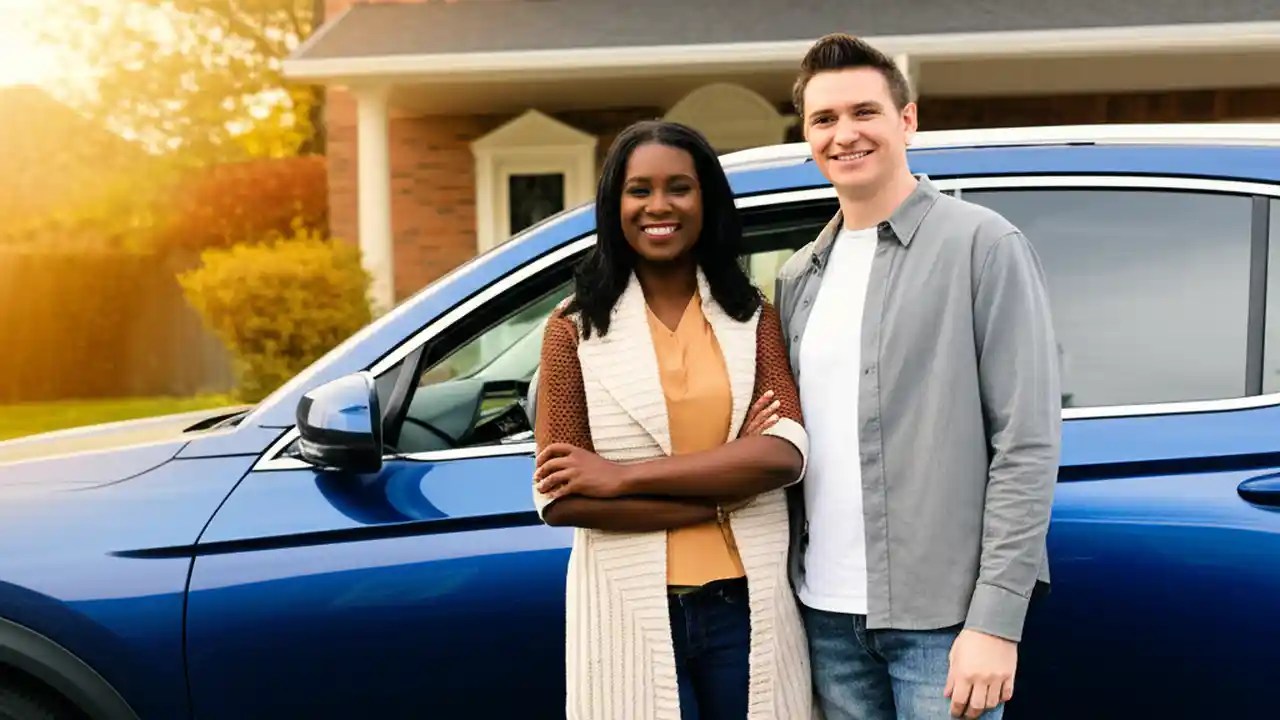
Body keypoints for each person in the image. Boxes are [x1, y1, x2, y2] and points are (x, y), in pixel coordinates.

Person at [776, 34, 1062, 720]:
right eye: (824, 120)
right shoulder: (796, 279)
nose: (844, 134)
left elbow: (1025, 443)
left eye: (864, 112)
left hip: (942, 623)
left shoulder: (983, 246)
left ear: (907, 121)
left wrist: (995, 622)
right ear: (809, 137)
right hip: (824, 617)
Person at [531, 120, 813, 720]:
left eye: (679, 188)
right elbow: (561, 497)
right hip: (631, 607)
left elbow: (784, 452)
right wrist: (721, 496)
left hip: (745, 606)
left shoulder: (751, 315)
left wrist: (621, 478)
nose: (659, 206)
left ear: (705, 201)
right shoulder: (573, 328)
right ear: (615, 204)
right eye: (639, 190)